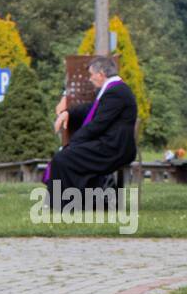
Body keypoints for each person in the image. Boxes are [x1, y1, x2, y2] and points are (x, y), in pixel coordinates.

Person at [44, 55, 137, 207]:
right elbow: (91, 109)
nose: (90, 78)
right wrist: (68, 113)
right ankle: (74, 201)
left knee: (64, 158)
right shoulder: (114, 89)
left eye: (92, 74)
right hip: (111, 144)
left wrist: (73, 143)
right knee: (67, 156)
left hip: (114, 148)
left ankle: (65, 203)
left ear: (101, 74)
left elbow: (98, 124)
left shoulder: (116, 92)